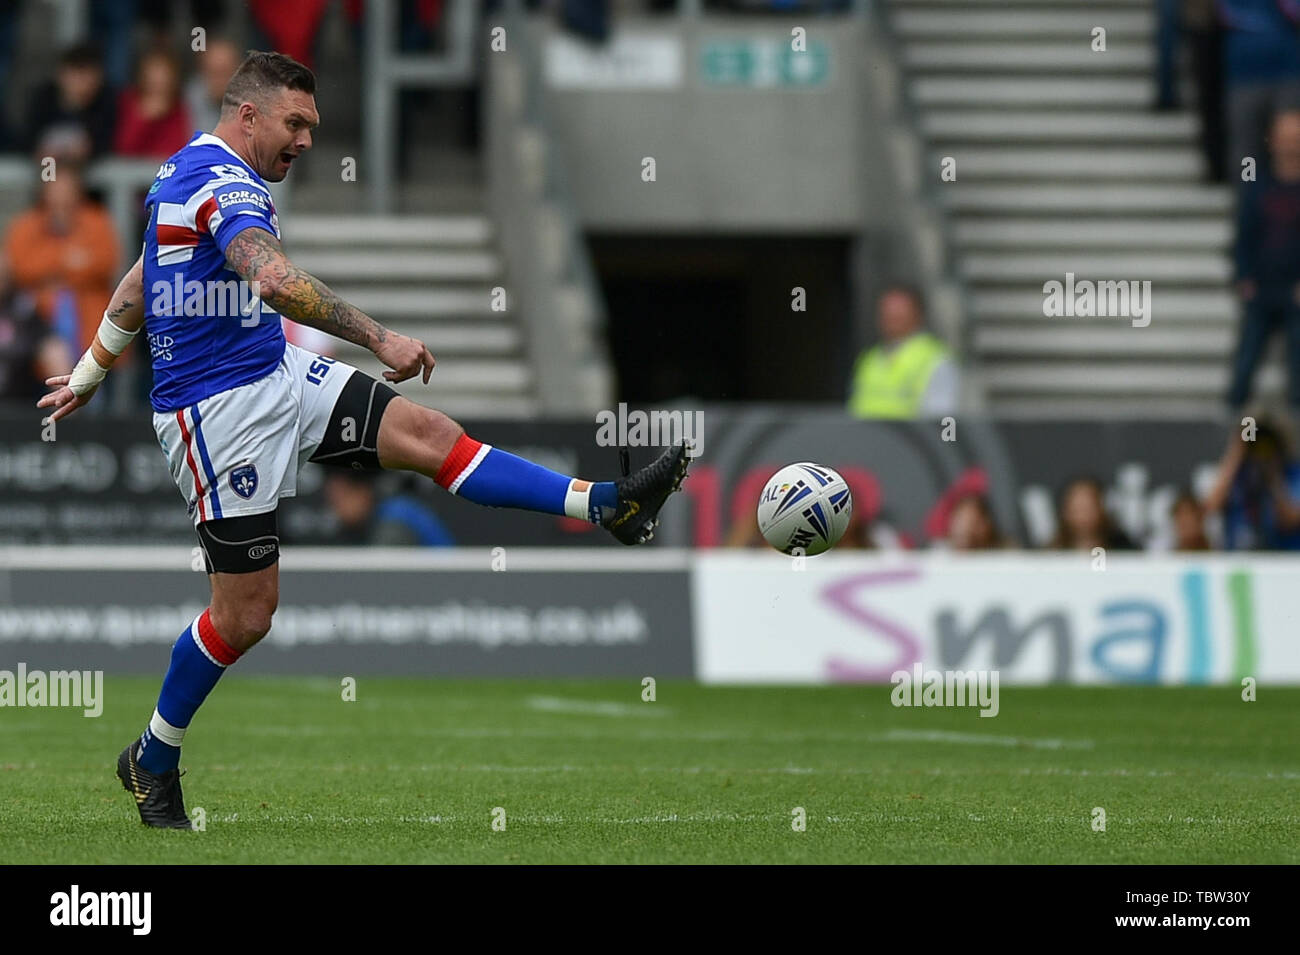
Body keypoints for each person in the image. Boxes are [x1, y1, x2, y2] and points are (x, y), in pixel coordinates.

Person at [36, 51, 690, 830]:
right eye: (296, 122)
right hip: (216, 414)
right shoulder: (219, 183)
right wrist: (378, 336)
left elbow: (140, 284)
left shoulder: (188, 174)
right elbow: (273, 281)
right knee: (247, 615)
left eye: (312, 125)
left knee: (427, 432)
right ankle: (152, 755)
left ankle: (608, 505)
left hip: (272, 373)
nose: (307, 140)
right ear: (248, 114)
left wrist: (86, 372)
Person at [1227, 108, 1300, 411]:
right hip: (1261, 288)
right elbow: (1243, 235)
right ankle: (1231, 422)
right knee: (1245, 365)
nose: (1291, 145)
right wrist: (1244, 277)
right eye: (1286, 138)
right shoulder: (1258, 185)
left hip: (1294, 291)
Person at [3, 165, 119, 354]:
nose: (61, 198)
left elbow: (106, 263)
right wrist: (69, 261)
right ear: (44, 194)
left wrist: (52, 275)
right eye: (55, 191)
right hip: (37, 327)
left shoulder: (97, 222)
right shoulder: (25, 225)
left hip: (92, 324)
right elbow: (21, 268)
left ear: (78, 192)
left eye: (67, 191)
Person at [847, 284, 959, 419]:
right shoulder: (869, 359)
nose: (891, 316)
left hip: (909, 439)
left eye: (898, 311)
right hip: (864, 438)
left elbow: (943, 421)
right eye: (886, 311)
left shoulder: (935, 359)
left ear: (918, 314)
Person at [1204, 417, 1300, 549]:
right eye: (1256, 447)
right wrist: (1237, 451)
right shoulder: (1235, 475)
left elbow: (1289, 520)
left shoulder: (1293, 473)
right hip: (1238, 560)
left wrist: (1273, 477)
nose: (1261, 453)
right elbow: (1211, 506)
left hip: (1280, 560)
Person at [22, 43, 116, 161]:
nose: (86, 84)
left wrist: (89, 150)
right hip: (48, 167)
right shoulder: (42, 101)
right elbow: (28, 141)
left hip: (89, 172)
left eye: (92, 77)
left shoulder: (106, 104)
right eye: (80, 75)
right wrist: (41, 151)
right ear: (61, 74)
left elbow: (110, 144)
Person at [321, 470, 455, 546]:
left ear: (363, 492)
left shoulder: (396, 518)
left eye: (341, 499)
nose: (336, 509)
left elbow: (382, 579)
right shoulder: (384, 512)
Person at [113, 48, 193, 158]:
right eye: (153, 74)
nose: (159, 81)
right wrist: (144, 119)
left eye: (164, 74)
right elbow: (123, 148)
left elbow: (179, 148)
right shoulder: (128, 101)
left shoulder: (179, 107)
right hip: (130, 170)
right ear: (143, 76)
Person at [1049, 477, 1137, 551]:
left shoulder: (1125, 551)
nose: (1083, 516)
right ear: (1065, 511)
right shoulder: (1049, 554)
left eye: (1088, 507)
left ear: (1102, 508)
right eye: (1077, 509)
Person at [184, 38, 242, 134]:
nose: (219, 81)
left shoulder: (254, 106)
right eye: (213, 73)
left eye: (225, 72)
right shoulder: (190, 100)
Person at [941, 493, 1007, 551]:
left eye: (973, 523)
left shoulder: (1006, 555)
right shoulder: (938, 555)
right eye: (961, 521)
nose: (966, 530)